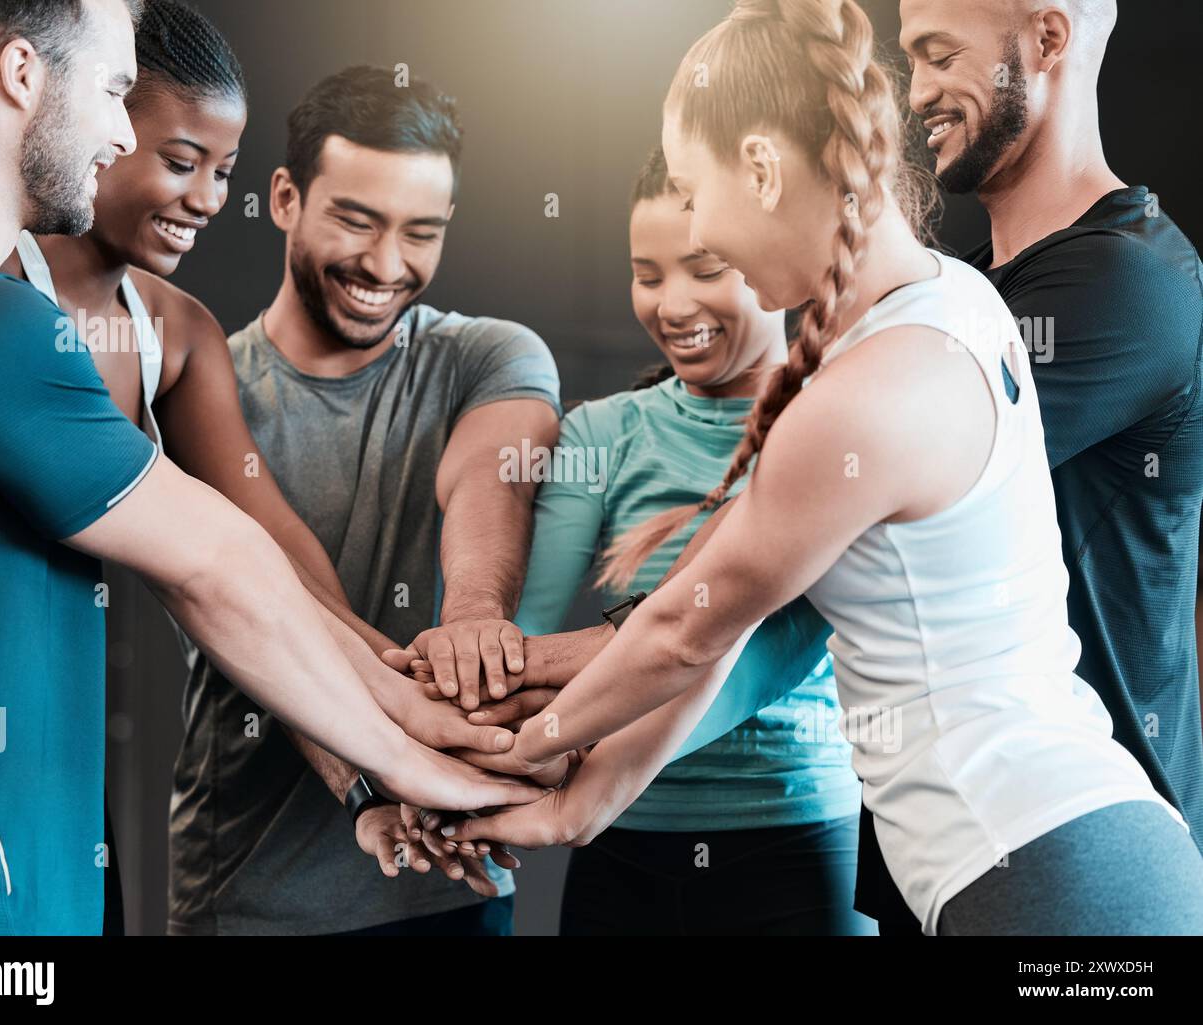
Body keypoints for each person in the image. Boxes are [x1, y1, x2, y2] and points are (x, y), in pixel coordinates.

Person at [440, 0, 1203, 936]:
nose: (699, 232)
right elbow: (719, 630)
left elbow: (684, 627)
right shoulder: (955, 301)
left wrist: (527, 752)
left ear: (760, 167)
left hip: (1053, 877)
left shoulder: (866, 394)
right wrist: (585, 798)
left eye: (692, 186)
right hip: (1087, 858)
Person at [0, 0, 537, 936]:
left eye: (219, 170)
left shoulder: (144, 329)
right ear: (23, 75)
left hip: (37, 849)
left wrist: (384, 757)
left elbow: (259, 567)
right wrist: (421, 757)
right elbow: (214, 572)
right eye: (116, 96)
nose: (119, 131)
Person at [830, 0, 1203, 934]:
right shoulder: (961, 297)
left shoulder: (1128, 283)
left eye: (938, 54)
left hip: (1087, 860)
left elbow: (828, 529)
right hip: (944, 861)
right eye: (906, 62)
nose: (916, 94)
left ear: (1048, 39)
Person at [166, 66, 563, 937]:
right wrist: (372, 783)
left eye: (421, 232)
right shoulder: (199, 388)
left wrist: (472, 619)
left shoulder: (490, 356)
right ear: (282, 198)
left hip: (452, 883)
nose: (386, 265)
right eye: (356, 219)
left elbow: (492, 479)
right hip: (250, 893)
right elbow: (251, 621)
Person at [505, 146, 870, 936]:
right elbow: (522, 637)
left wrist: (565, 760)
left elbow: (758, 648)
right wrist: (472, 768)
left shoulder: (836, 424)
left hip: (801, 841)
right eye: (648, 273)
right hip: (621, 855)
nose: (673, 303)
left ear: (765, 260)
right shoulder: (603, 433)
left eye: (706, 268)